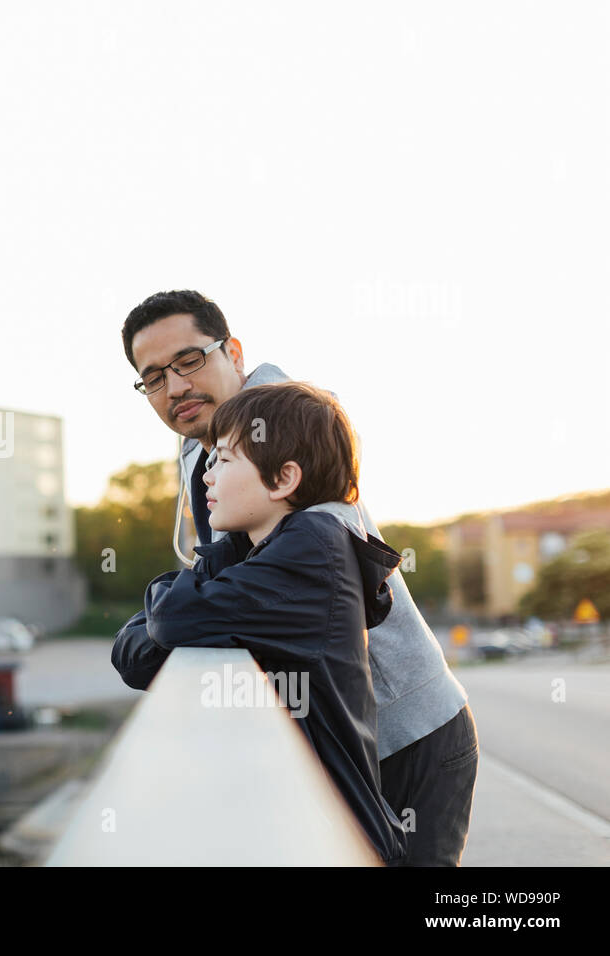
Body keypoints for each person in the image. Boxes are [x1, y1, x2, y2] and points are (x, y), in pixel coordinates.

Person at [114, 289, 478, 866]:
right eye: (153, 376)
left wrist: (174, 610)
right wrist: (167, 617)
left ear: (233, 353)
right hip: (327, 743)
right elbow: (198, 598)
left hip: (406, 730)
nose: (176, 386)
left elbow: (200, 601)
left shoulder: (287, 433)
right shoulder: (201, 449)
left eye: (189, 361)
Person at [113, 381, 409, 863]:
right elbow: (133, 659)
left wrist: (166, 595)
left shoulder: (312, 546)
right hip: (309, 828)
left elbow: (171, 620)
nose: (207, 475)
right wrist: (195, 584)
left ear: (283, 479)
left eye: (225, 460)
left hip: (338, 841)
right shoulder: (255, 551)